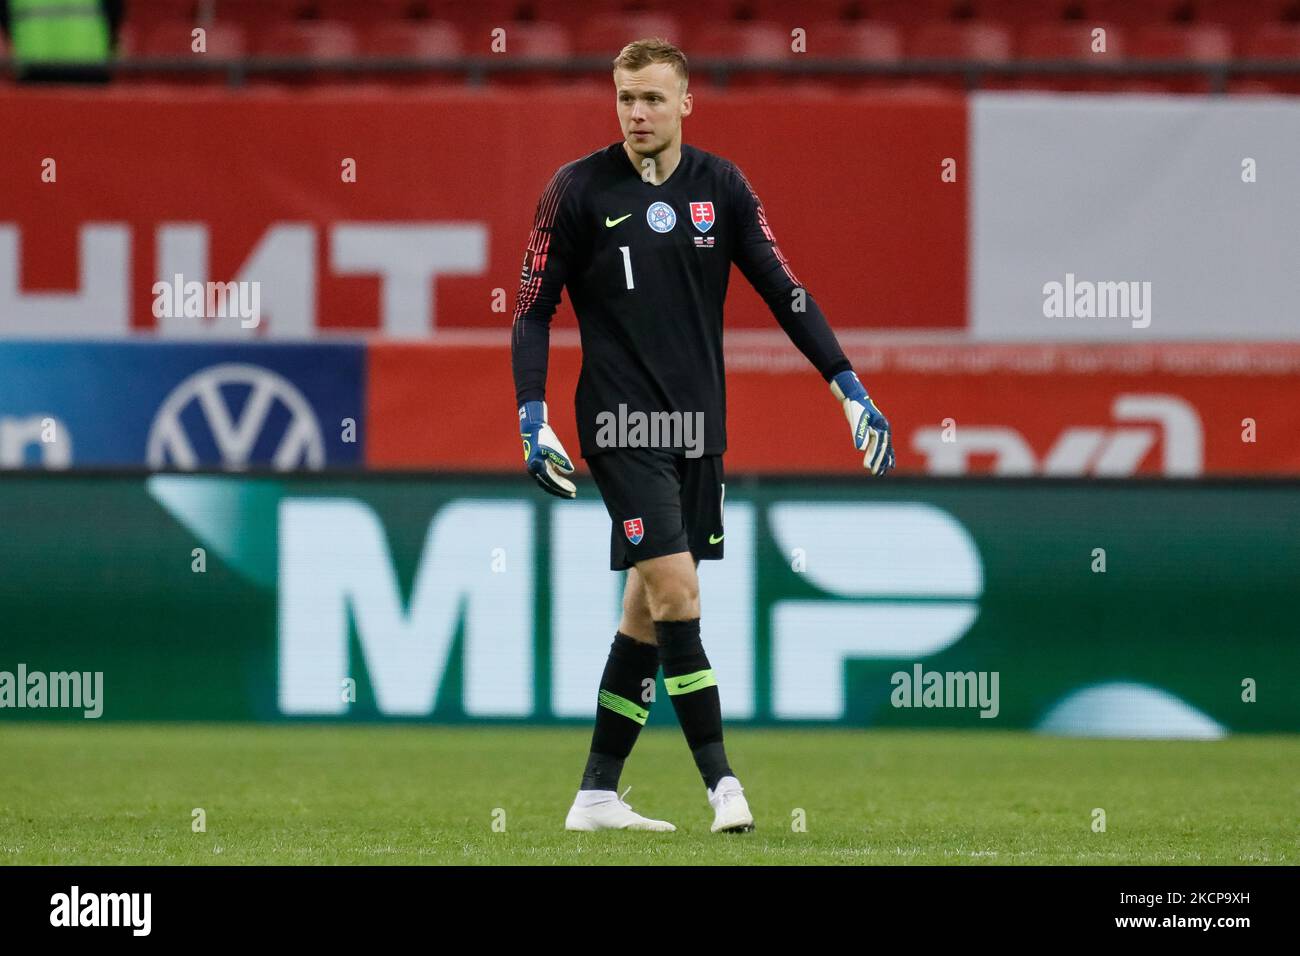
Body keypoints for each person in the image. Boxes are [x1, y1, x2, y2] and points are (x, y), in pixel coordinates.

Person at [510, 38, 895, 834]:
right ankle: (724, 786)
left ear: (686, 102)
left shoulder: (722, 187)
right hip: (618, 426)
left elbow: (785, 291)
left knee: (647, 613)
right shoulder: (576, 191)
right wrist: (532, 414)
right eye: (625, 98)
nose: (637, 113)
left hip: (697, 429)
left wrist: (847, 385)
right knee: (680, 591)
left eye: (652, 98)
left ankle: (595, 795)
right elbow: (532, 309)